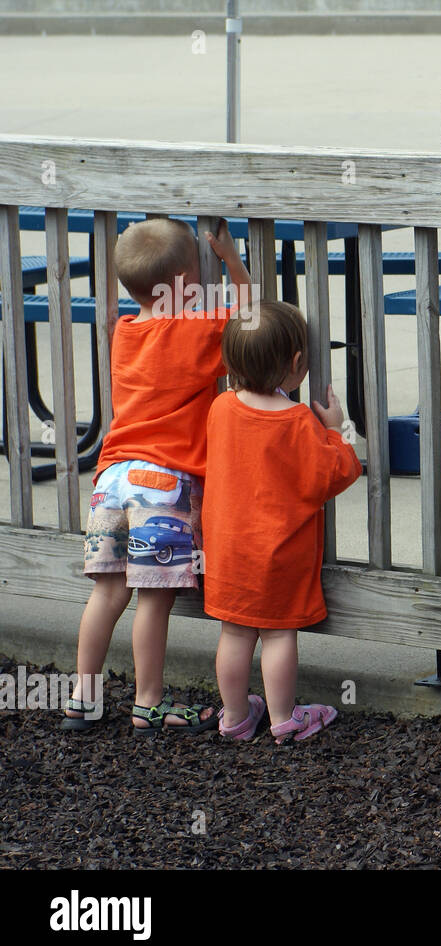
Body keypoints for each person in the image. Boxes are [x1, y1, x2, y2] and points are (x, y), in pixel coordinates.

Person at [65, 217, 249, 735]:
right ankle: (148, 702)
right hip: (161, 483)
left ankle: (83, 696)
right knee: (152, 597)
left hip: (111, 479)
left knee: (105, 592)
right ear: (189, 285)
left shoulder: (124, 332)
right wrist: (232, 262)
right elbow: (250, 319)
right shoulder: (195, 332)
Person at [202, 301, 361, 743]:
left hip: (228, 552)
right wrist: (336, 430)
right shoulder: (297, 422)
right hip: (277, 554)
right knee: (277, 634)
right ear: (296, 364)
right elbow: (332, 475)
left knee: (233, 631)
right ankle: (284, 718)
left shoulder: (221, 409)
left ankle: (233, 717)